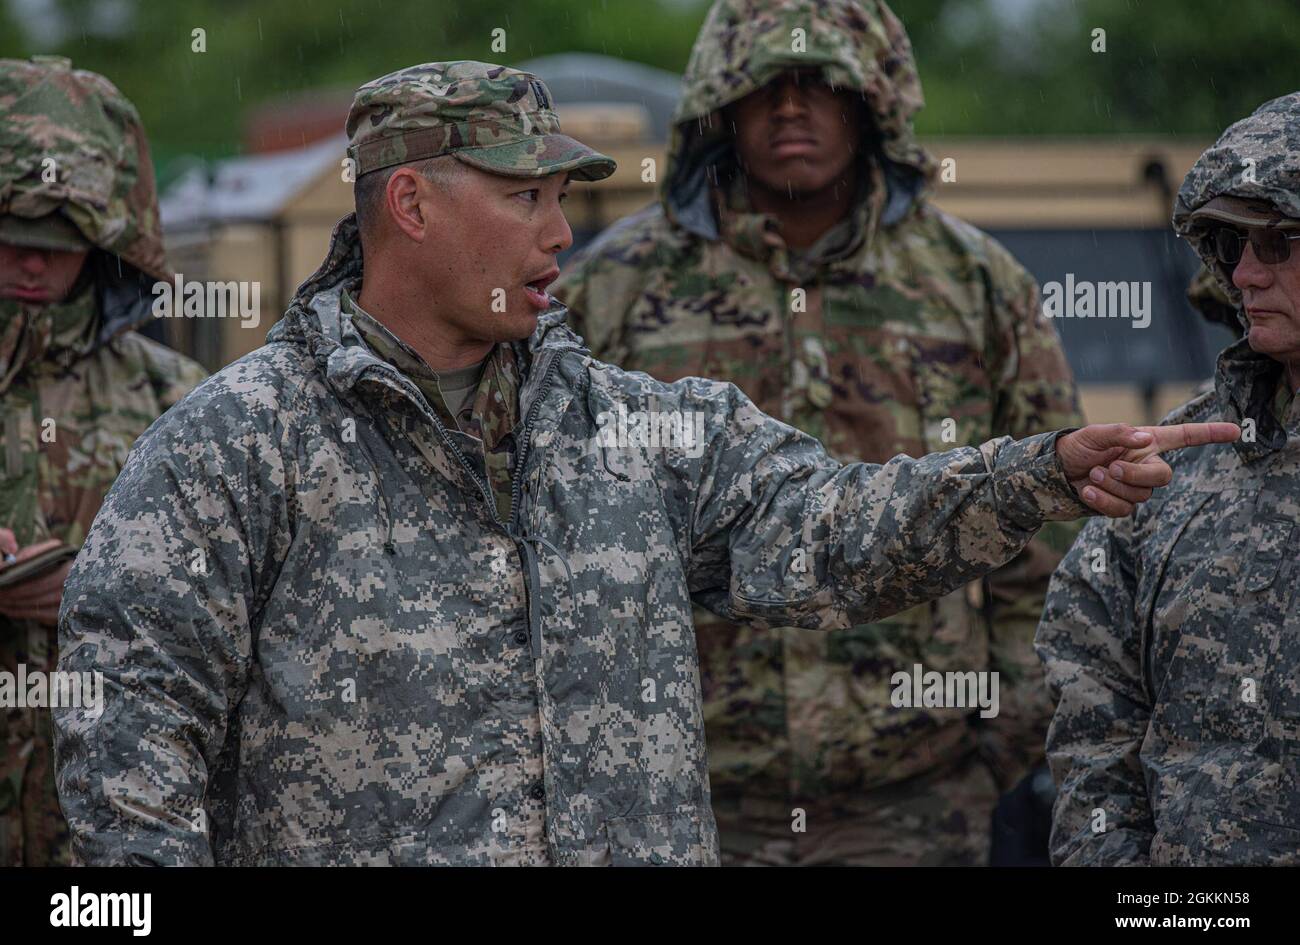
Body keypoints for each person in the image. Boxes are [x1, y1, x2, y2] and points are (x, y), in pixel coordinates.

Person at [53, 60, 1231, 866]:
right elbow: (129, 723)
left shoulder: (634, 430)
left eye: (562, 197)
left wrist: (1037, 470)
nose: (561, 234)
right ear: (408, 204)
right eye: (526, 197)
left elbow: (831, 527)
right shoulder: (236, 441)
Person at [552, 0, 1083, 864]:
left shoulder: (975, 283)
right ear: (720, 107)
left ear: (872, 100)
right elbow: (554, 524)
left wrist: (1005, 739)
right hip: (680, 796)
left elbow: (1051, 536)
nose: (791, 109)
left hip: (914, 798)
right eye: (764, 85)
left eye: (822, 84)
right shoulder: (613, 287)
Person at [1037, 91, 1300, 865]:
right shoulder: (1172, 465)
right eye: (1227, 244)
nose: (1244, 273)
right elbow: (1089, 699)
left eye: (1280, 241)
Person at [0, 55, 208, 866]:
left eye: (63, 241)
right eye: (13, 236)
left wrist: (99, 591)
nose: (33, 265)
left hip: (106, 831)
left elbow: (250, 607)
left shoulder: (179, 402)